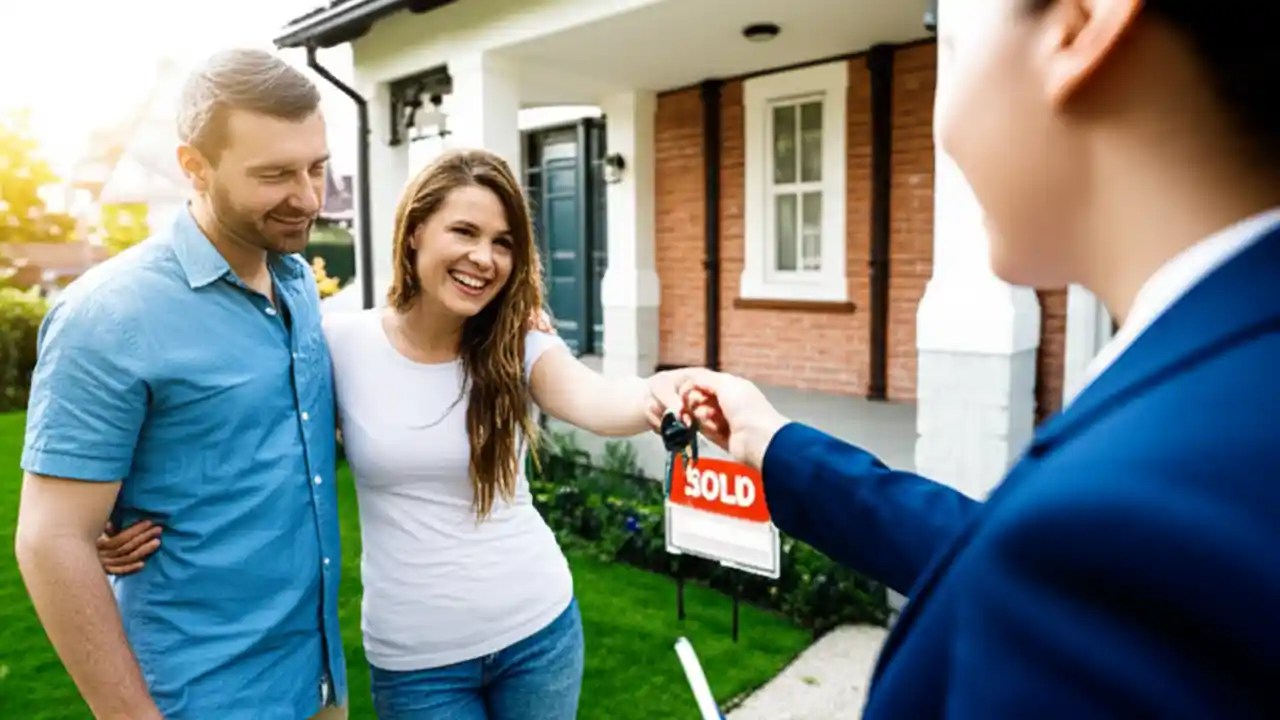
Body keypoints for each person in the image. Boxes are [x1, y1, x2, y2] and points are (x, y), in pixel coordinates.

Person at [674, 0, 1280, 718]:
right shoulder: (1228, 383)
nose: (945, 128)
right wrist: (774, 444)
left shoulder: (1133, 505)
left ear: (1081, 22)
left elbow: (1068, 561)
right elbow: (1005, 549)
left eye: (953, 48)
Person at [99, 147, 692, 719]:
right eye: (464, 232)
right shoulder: (341, 342)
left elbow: (598, 401)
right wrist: (112, 511)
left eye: (503, 242)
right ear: (415, 232)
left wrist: (658, 394)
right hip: (417, 662)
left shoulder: (518, 343)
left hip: (539, 632)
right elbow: (243, 431)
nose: (484, 258)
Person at [15, 49, 348, 719]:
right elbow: (51, 540)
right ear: (193, 166)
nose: (310, 198)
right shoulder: (108, 316)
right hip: (200, 696)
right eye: (275, 174)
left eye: (315, 167)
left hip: (314, 681)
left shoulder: (294, 284)